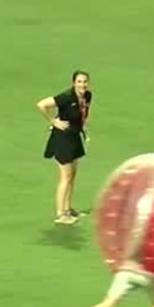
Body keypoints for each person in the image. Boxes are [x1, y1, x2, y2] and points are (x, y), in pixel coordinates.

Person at [36, 70, 92, 225]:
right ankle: (61, 214)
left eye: (85, 81)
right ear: (74, 83)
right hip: (62, 139)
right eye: (79, 82)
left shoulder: (87, 96)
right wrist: (53, 121)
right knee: (65, 177)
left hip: (74, 137)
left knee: (72, 175)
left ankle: (68, 208)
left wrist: (83, 128)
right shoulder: (66, 97)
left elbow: (82, 114)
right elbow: (42, 105)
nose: (82, 85)